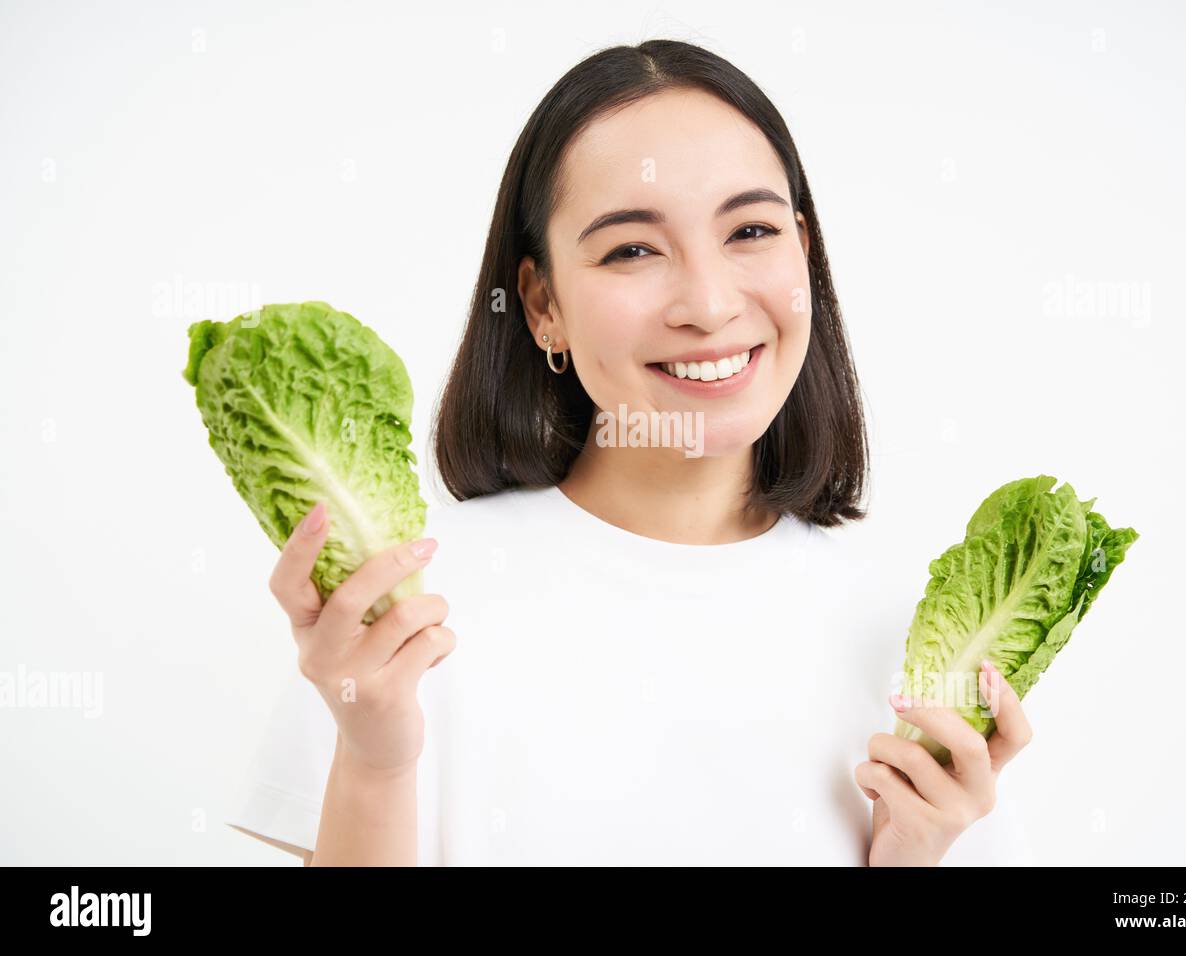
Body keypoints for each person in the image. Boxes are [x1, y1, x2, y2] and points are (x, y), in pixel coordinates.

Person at [226, 39, 1037, 866]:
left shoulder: (912, 647)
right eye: (633, 250)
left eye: (751, 230)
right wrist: (376, 761)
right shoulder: (404, 612)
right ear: (542, 305)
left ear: (804, 252)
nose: (711, 304)